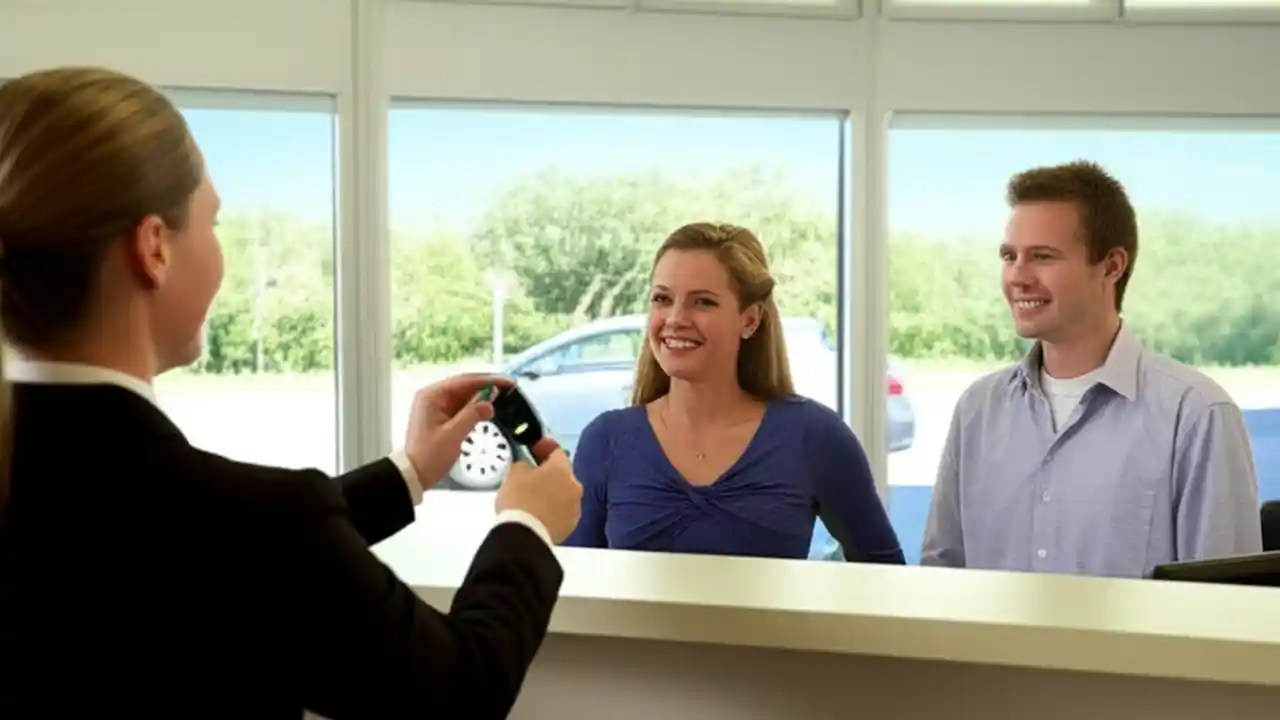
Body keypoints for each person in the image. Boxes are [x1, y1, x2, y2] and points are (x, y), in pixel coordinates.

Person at [0, 66, 582, 719]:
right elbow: (461, 692)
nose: (219, 253)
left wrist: (410, 472)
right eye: (213, 222)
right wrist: (528, 526)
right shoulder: (253, 524)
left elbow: (226, 549)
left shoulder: (188, 515)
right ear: (153, 248)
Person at [921, 160, 1262, 578]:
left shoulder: (1195, 415)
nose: (1018, 277)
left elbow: (1226, 602)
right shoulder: (978, 409)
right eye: (1010, 256)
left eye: (1042, 257)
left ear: (1111, 266)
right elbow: (942, 576)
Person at [562, 222, 904, 564]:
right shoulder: (605, 440)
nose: (676, 318)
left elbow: (886, 574)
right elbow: (570, 584)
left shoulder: (815, 436)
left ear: (750, 320)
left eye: (703, 302)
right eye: (662, 299)